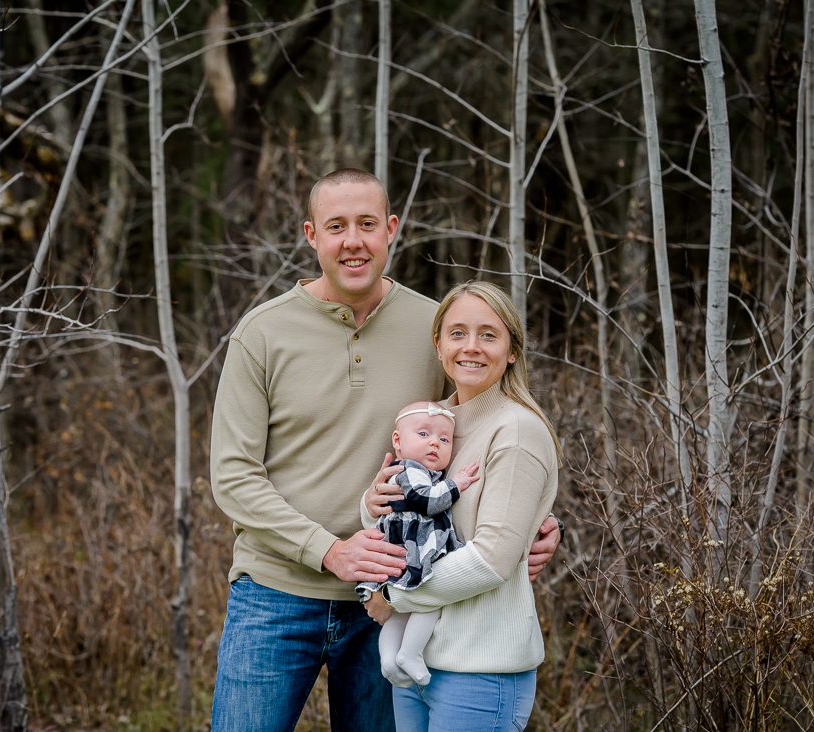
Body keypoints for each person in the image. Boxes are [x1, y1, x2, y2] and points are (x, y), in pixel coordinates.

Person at [209, 169, 562, 732]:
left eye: (368, 224)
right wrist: (331, 551)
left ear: (391, 230)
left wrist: (534, 520)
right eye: (337, 226)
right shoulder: (262, 334)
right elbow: (233, 478)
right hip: (275, 596)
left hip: (393, 598)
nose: (354, 240)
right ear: (311, 235)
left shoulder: (436, 327)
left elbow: (479, 430)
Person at [362, 280, 560, 731]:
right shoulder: (430, 423)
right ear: (438, 344)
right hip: (415, 669)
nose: (471, 347)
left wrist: (394, 592)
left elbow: (492, 558)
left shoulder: (516, 430)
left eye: (489, 334)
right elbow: (403, 514)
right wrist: (370, 505)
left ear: (512, 350)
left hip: (480, 671)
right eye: (457, 333)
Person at [356, 401, 480, 688]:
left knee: (402, 611)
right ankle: (409, 654)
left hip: (403, 549)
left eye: (444, 439)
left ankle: (390, 659)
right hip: (412, 548)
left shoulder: (418, 470)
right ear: (397, 441)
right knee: (428, 602)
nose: (434, 443)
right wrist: (457, 484)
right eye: (424, 434)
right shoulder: (410, 469)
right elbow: (425, 501)